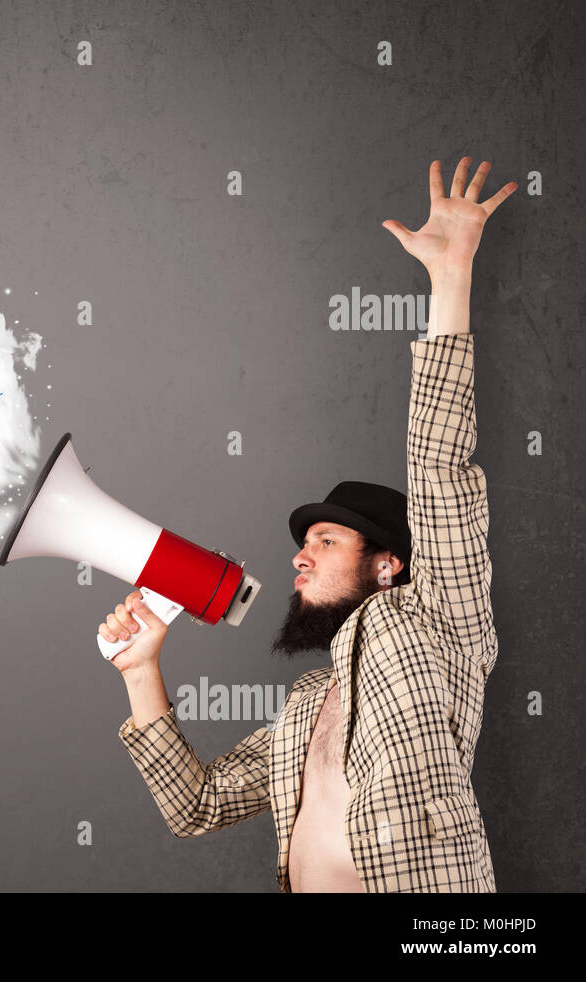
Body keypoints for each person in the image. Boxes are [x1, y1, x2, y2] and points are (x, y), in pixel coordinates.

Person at [104, 156, 514, 893]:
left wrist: (452, 273)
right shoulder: (304, 707)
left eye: (326, 541)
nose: (300, 557)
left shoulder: (440, 622)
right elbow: (195, 806)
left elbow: (438, 468)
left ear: (388, 563)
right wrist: (141, 672)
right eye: (302, 544)